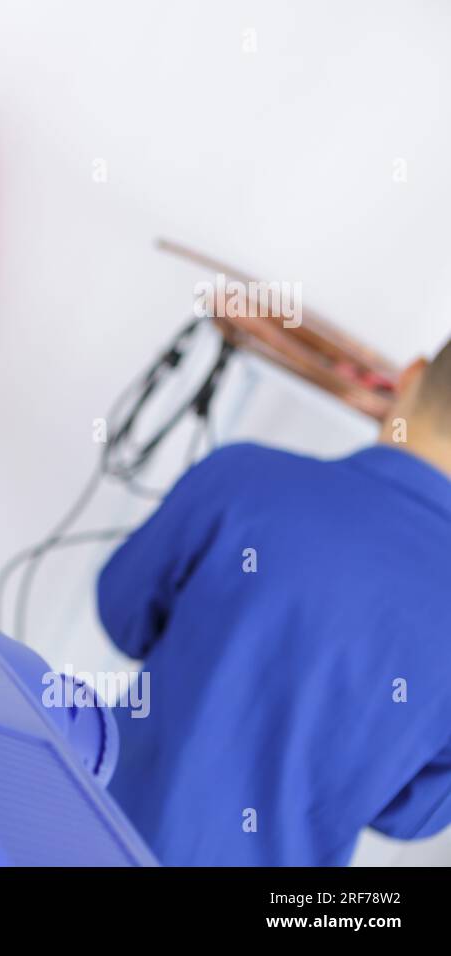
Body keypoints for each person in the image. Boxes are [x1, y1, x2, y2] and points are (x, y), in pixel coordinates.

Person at [97, 342, 451, 865]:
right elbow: (411, 815)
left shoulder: (240, 477)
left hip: (82, 837)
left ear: (411, 374)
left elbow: (123, 614)